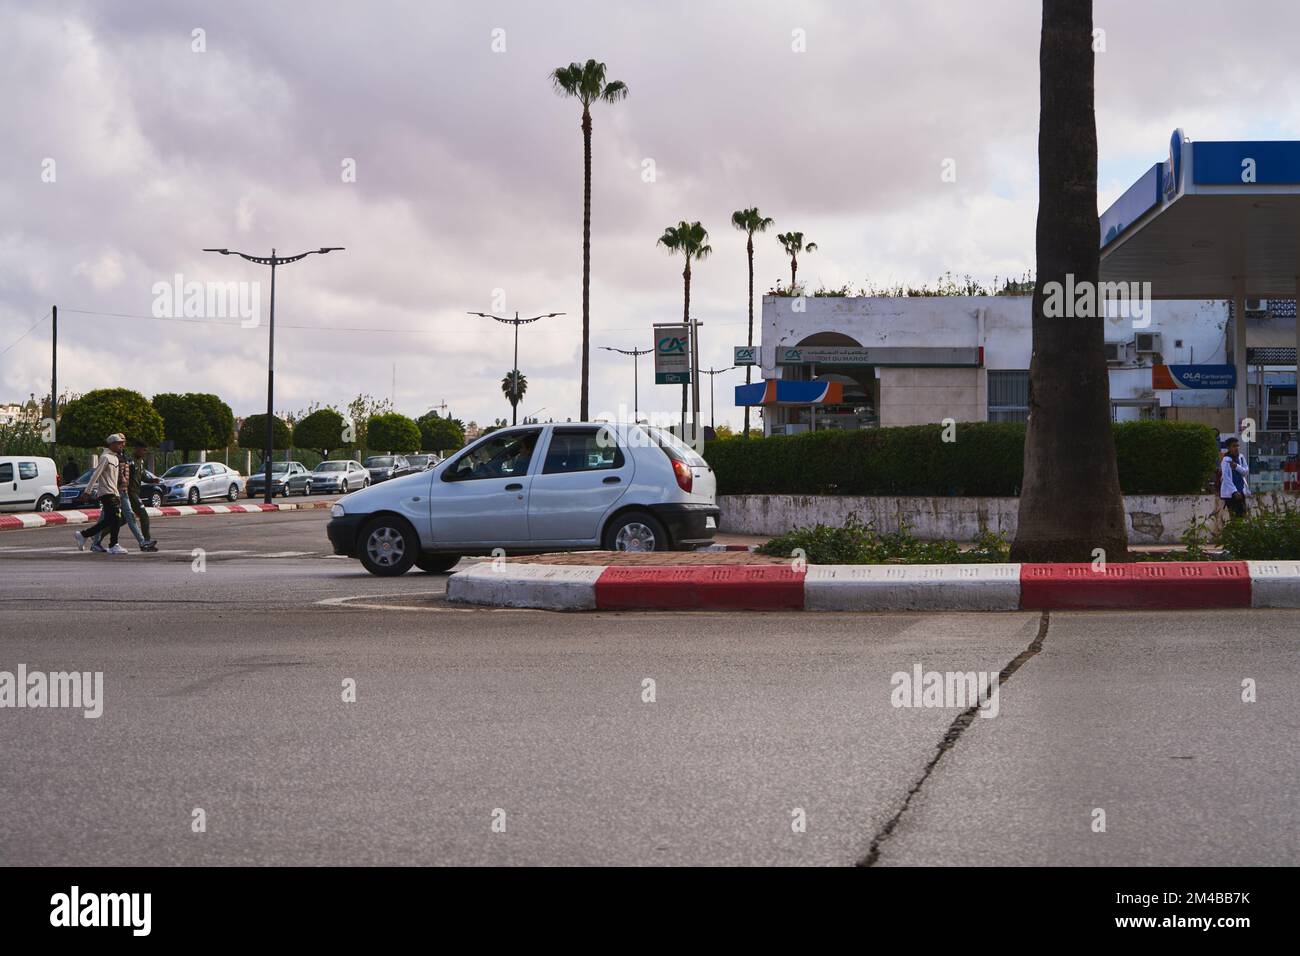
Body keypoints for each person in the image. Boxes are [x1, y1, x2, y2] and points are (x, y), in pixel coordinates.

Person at [91, 439, 156, 552]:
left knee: (119, 520)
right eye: (143, 450)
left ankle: (97, 537)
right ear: (137, 449)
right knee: (142, 515)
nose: (144, 452)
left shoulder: (139, 461)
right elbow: (118, 476)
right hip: (127, 493)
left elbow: (141, 475)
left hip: (129, 493)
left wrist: (152, 480)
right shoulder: (127, 460)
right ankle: (145, 541)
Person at [75, 433, 128, 554]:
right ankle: (113, 544)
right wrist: (87, 491)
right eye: (119, 444)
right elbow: (96, 475)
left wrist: (118, 493)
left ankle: (83, 535)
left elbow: (115, 478)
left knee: (109, 520)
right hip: (106, 493)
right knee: (116, 518)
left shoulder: (115, 458)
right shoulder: (105, 457)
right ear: (112, 444)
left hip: (114, 493)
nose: (121, 446)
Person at [1219, 437, 1250, 519]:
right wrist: (1234, 491)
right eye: (1234, 446)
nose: (1236, 448)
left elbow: (1245, 472)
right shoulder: (1226, 460)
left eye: (1237, 446)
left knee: (1242, 514)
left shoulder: (1241, 457)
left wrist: (1236, 466)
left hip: (1241, 490)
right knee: (1234, 515)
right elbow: (1226, 478)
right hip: (1231, 493)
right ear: (1228, 448)